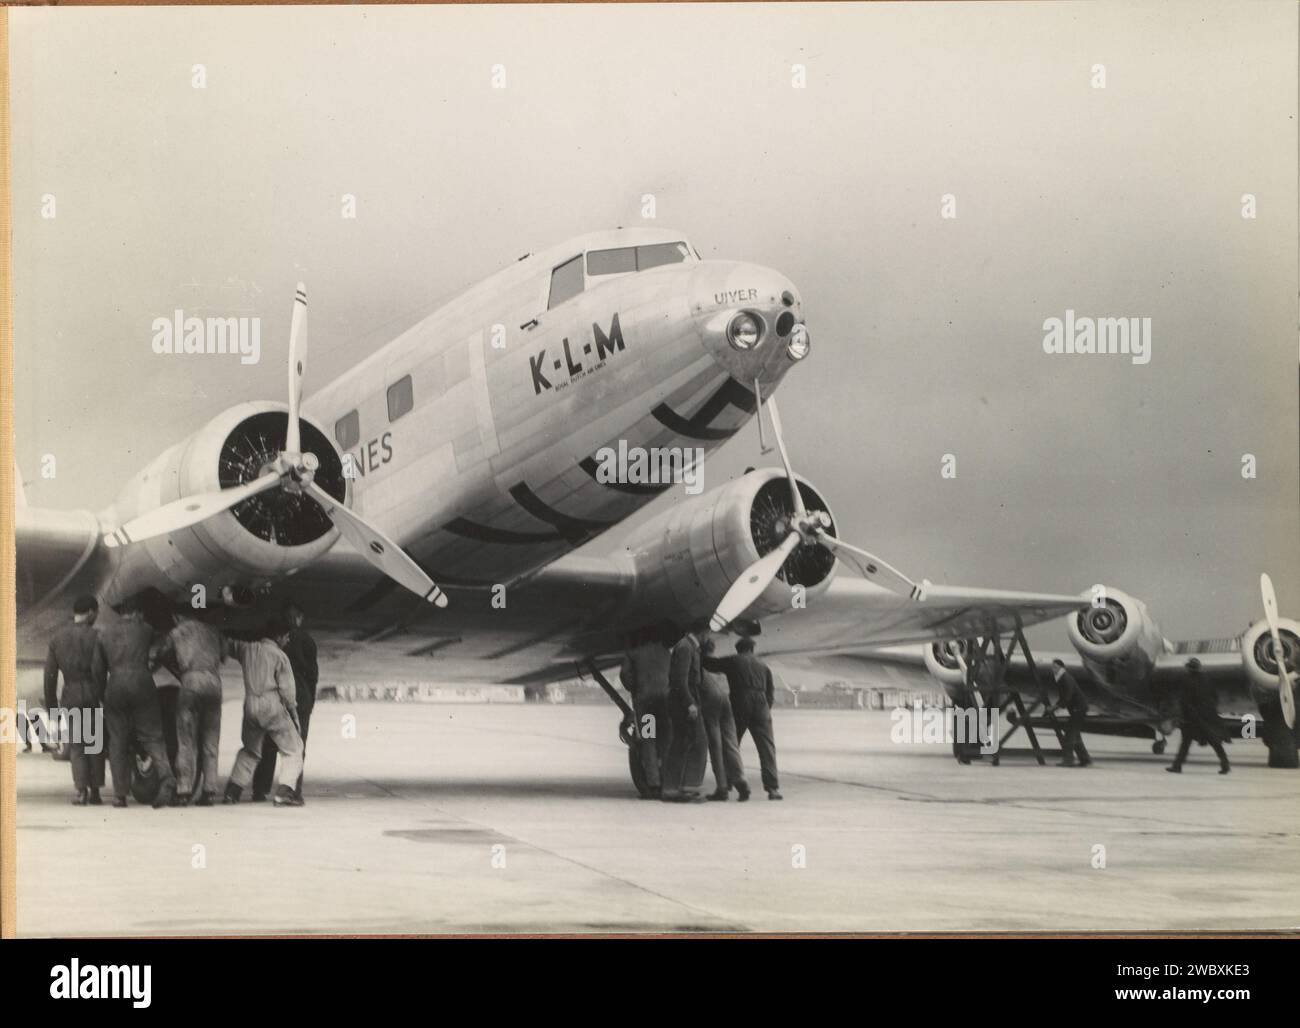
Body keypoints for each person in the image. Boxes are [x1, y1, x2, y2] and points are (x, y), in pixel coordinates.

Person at [93, 596, 176, 808]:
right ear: (137, 613)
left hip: (116, 685)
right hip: (142, 683)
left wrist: (103, 695)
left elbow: (98, 670)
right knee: (153, 735)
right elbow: (161, 646)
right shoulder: (146, 629)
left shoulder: (104, 634)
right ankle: (167, 778)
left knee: (117, 742)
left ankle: (120, 795)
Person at [223, 620, 305, 806]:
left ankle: (232, 792)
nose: (287, 640)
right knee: (293, 749)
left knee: (250, 750)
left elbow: (227, 645)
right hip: (272, 705)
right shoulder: (280, 656)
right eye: (286, 637)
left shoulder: (247, 649)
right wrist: (293, 714)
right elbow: (288, 691)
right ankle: (284, 793)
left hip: (251, 704)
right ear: (277, 637)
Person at [152, 608, 225, 806]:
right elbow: (224, 655)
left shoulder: (177, 632)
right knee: (211, 741)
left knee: (186, 740)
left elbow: (160, 654)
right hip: (214, 683)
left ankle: (183, 791)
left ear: (177, 616)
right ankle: (209, 791)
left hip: (191, 682)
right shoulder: (212, 630)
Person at [250, 602, 318, 802]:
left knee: (268, 745)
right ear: (298, 619)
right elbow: (312, 674)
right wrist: (310, 701)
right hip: (299, 699)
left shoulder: (271, 641)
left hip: (273, 699)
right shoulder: (306, 640)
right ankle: (291, 791)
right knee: (296, 746)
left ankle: (259, 789)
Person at [43, 594, 106, 805]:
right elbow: (102, 669)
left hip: (70, 694)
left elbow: (50, 676)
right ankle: (96, 791)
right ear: (90, 613)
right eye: (96, 613)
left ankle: (81, 791)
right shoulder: (98, 636)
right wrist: (102, 695)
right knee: (94, 742)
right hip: (92, 692)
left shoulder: (57, 639)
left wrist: (52, 706)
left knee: (77, 745)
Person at [702, 637, 782, 799]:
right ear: (752, 649)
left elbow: (711, 664)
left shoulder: (734, 660)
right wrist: (765, 709)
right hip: (761, 704)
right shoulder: (763, 665)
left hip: (740, 700)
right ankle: (772, 789)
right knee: (766, 747)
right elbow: (770, 692)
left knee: (731, 743)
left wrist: (705, 651)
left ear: (738, 649)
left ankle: (726, 785)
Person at [619, 624, 673, 799]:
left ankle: (654, 784)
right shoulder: (666, 653)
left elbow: (625, 676)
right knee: (666, 740)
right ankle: (667, 781)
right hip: (665, 702)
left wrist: (636, 688)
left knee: (649, 740)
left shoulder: (634, 654)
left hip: (646, 703)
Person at [662, 622, 709, 803]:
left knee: (682, 743)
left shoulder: (688, 647)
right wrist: (690, 704)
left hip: (685, 699)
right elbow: (680, 680)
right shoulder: (685, 647)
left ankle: (674, 789)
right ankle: (687, 788)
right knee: (698, 741)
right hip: (683, 701)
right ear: (703, 632)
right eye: (708, 633)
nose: (709, 637)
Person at [698, 638, 750, 801]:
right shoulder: (722, 664)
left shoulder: (701, 663)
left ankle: (722, 787)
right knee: (731, 743)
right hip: (726, 702)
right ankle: (740, 779)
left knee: (715, 745)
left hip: (710, 702)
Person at [1167, 658, 1230, 774]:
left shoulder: (1186, 680)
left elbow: (1184, 701)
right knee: (1215, 742)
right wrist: (1210, 711)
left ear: (1189, 668)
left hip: (1192, 717)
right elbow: (1215, 697)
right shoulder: (1208, 679)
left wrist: (1183, 717)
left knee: (1185, 743)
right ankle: (1225, 764)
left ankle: (1177, 766)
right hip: (1208, 716)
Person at [1051, 659, 1091, 767]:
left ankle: (1068, 760)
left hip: (1078, 708)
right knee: (1075, 734)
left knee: (1070, 734)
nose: (1053, 669)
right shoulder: (1062, 677)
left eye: (1055, 667)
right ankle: (1085, 759)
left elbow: (1067, 695)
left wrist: (1055, 707)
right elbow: (1065, 696)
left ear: (1061, 667)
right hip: (1078, 708)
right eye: (1052, 667)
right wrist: (1056, 706)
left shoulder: (1065, 678)